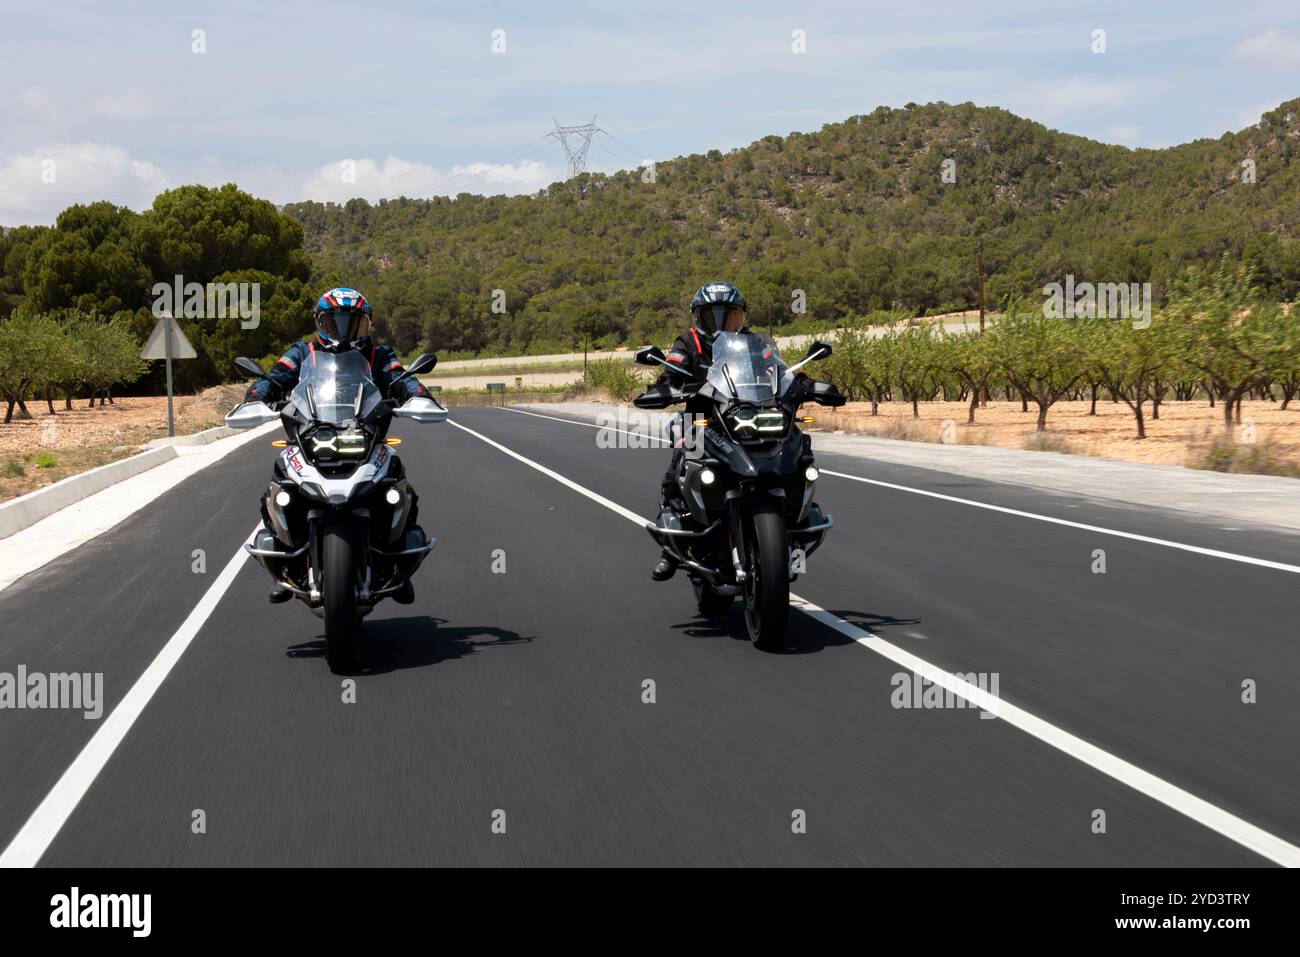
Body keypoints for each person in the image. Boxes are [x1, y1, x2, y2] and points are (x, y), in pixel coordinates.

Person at [248, 287, 431, 603]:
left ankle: (396, 564)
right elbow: (277, 376)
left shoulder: (378, 355)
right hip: (311, 434)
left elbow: (399, 377)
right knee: (278, 486)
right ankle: (285, 565)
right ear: (321, 323)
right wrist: (257, 395)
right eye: (336, 323)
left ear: (366, 325)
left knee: (399, 485)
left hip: (364, 435)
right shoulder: (303, 352)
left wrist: (417, 394)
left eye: (354, 323)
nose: (345, 332)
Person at [645, 281, 751, 581]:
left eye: (728, 315)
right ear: (697, 317)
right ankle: (671, 545)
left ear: (740, 316)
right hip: (700, 418)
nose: (719, 323)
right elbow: (673, 368)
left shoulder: (750, 341)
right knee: (680, 459)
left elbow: (774, 366)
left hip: (741, 418)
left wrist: (802, 382)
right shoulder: (688, 342)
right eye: (711, 315)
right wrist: (664, 385)